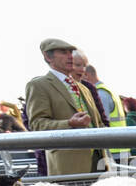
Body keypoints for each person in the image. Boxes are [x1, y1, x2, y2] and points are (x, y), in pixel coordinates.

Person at [24, 37, 107, 176]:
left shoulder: (83, 88)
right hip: (68, 165)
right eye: (63, 52)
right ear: (47, 56)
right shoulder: (39, 85)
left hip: (98, 163)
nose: (70, 56)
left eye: (70, 52)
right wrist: (69, 123)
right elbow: (37, 125)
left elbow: (99, 123)